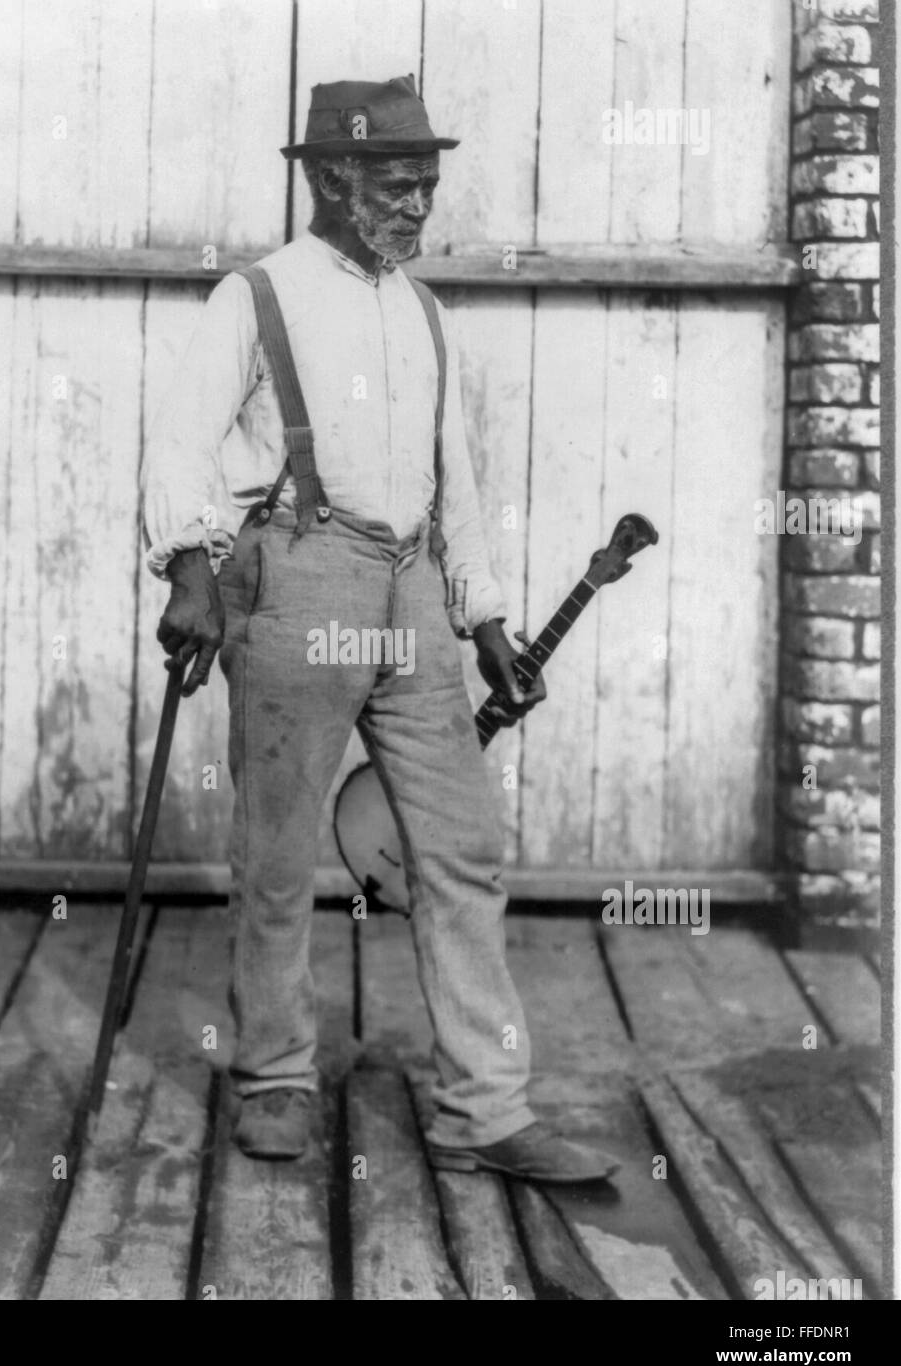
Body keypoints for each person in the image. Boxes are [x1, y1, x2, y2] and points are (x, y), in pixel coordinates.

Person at [143, 75, 618, 1184]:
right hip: (299, 579)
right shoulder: (254, 296)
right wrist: (187, 569)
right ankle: (271, 1076)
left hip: (411, 597)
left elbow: (458, 482)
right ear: (329, 178)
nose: (417, 209)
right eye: (398, 187)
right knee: (278, 849)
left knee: (458, 848)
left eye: (427, 187)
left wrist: (485, 610)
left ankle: (483, 1110)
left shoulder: (424, 313)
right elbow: (180, 444)